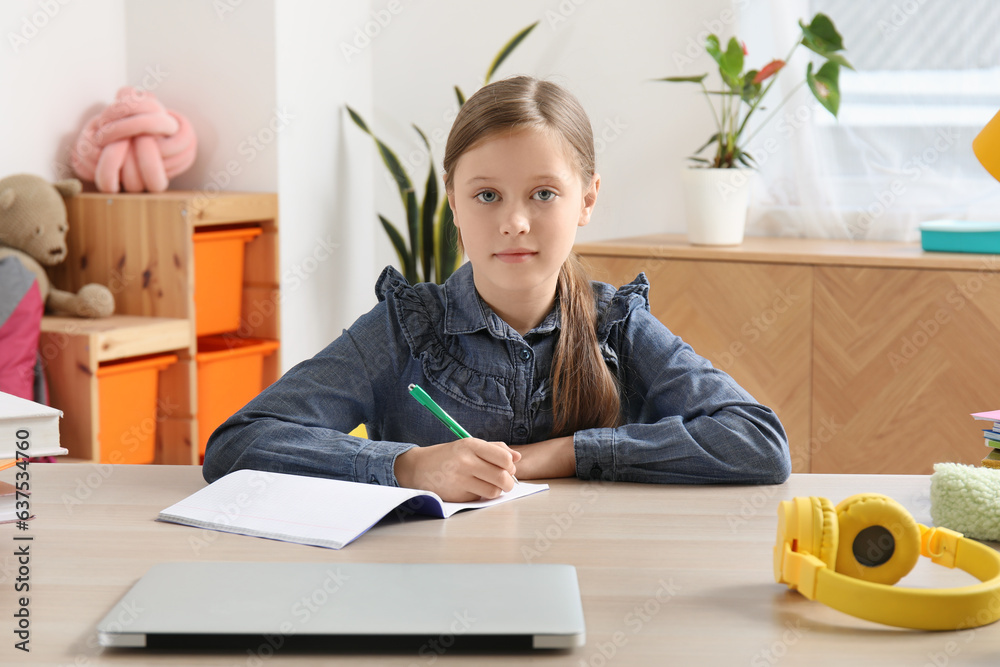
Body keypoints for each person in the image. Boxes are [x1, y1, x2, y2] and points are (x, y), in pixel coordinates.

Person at [203, 76, 790, 501]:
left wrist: (567, 453)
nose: (514, 221)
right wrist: (406, 466)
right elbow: (238, 443)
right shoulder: (404, 327)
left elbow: (758, 441)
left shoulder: (618, 324)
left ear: (587, 200)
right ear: (452, 200)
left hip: (590, 584)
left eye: (543, 194)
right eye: (487, 195)